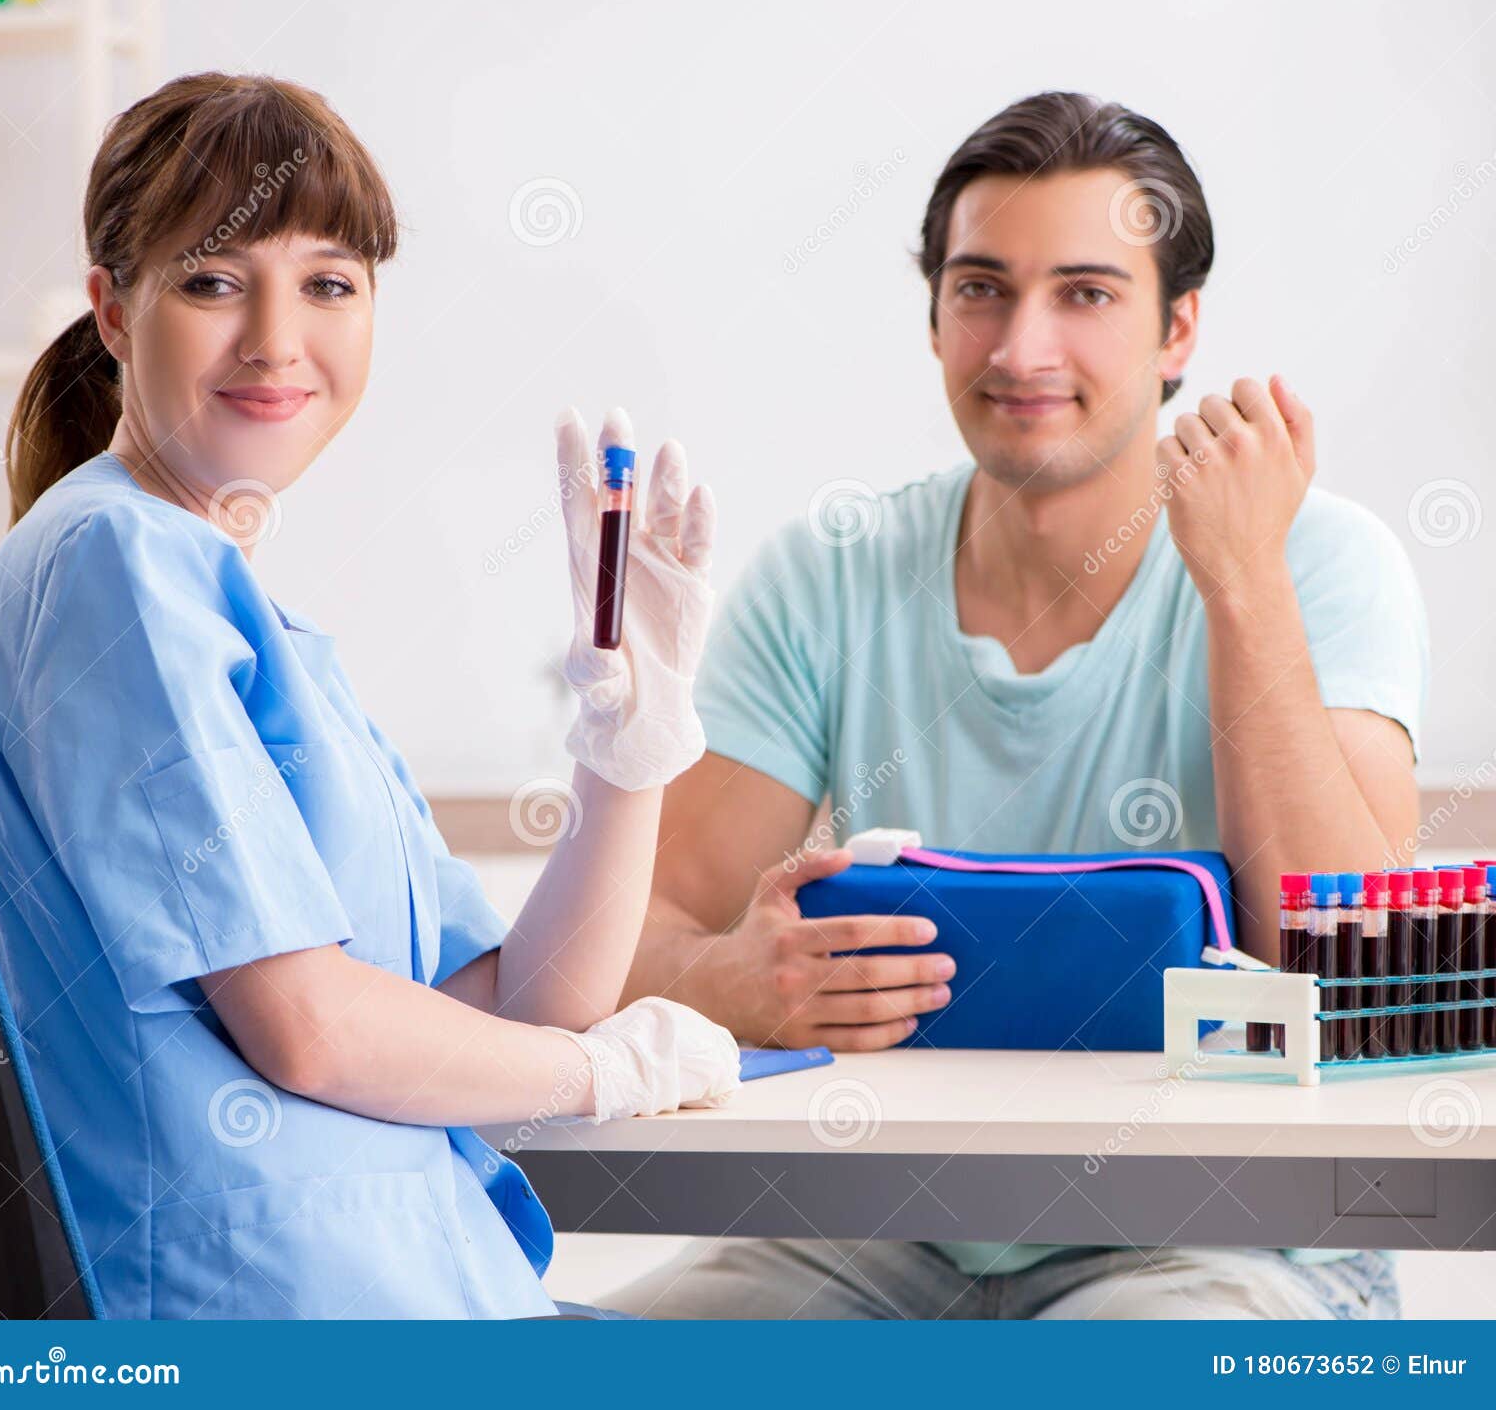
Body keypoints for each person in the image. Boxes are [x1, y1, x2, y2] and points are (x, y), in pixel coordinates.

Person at [611, 91, 1427, 1319]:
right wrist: (739, 981)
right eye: (981, 288)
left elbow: (1354, 974)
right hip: (881, 1222)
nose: (1019, 348)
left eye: (1086, 294)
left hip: (1227, 1231)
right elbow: (643, 933)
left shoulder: (1316, 559)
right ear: (935, 316)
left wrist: (1240, 585)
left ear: (1176, 331)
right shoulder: (829, 573)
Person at [0, 71, 739, 1321]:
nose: (275, 337)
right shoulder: (114, 564)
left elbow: (509, 1006)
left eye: (328, 283)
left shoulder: (251, 620)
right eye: (212, 281)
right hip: (257, 1311)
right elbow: (309, 1030)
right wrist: (602, 1073)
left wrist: (627, 749)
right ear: (111, 310)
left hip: (393, 1285)